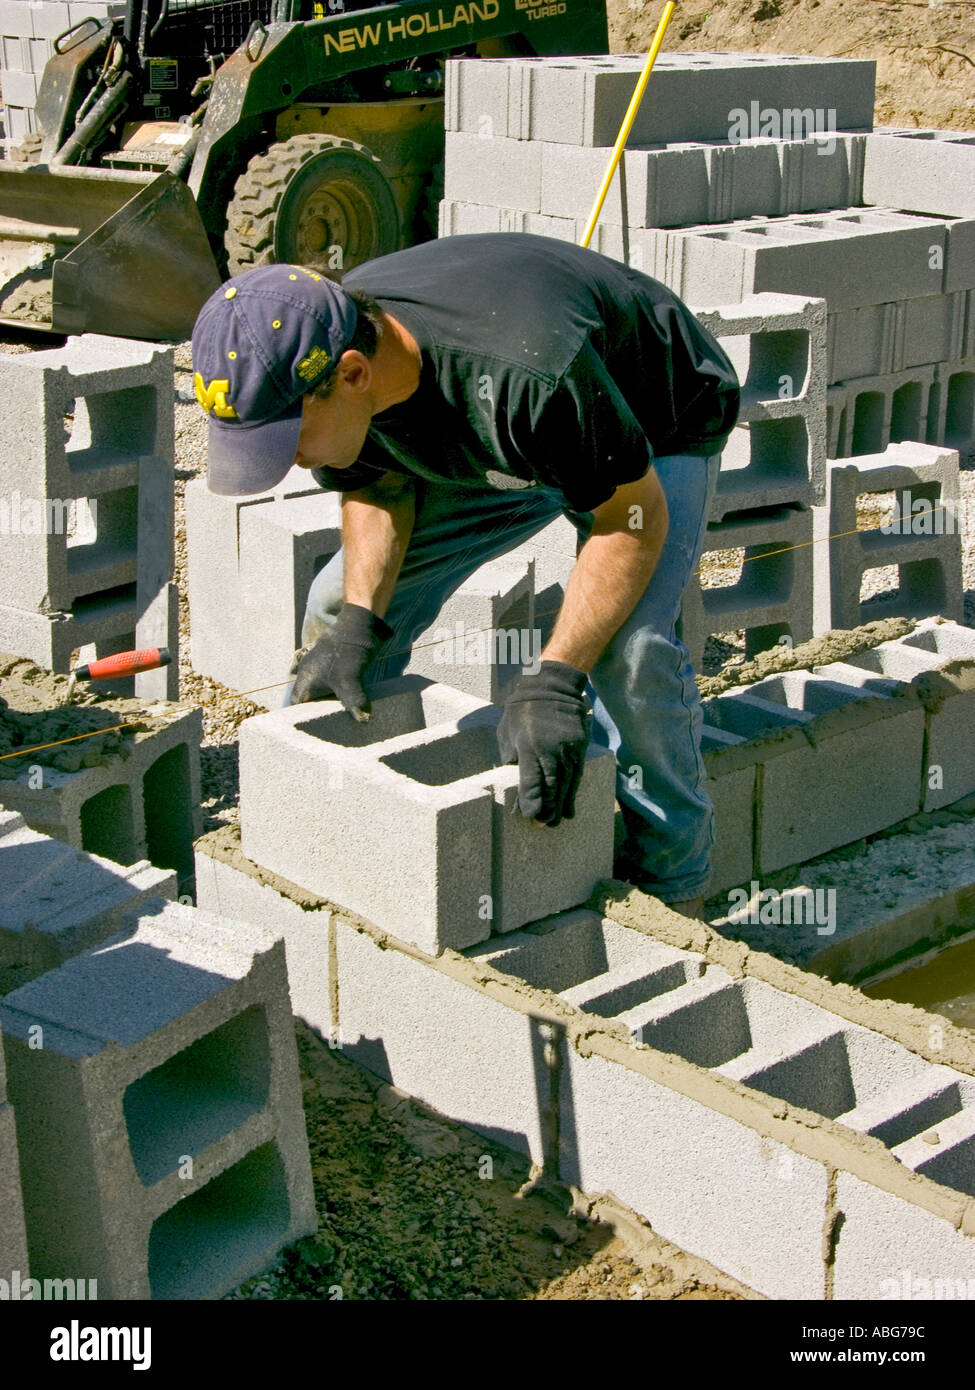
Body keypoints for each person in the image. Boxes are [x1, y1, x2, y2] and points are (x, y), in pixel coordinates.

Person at [191, 234, 740, 913]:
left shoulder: (527, 376)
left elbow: (630, 522)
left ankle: (674, 880)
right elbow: (379, 488)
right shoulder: (335, 348)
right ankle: (357, 810)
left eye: (290, 439)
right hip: (526, 434)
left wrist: (555, 680)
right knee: (335, 605)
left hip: (654, 417)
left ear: (356, 375)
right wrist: (361, 621)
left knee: (630, 653)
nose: (295, 461)